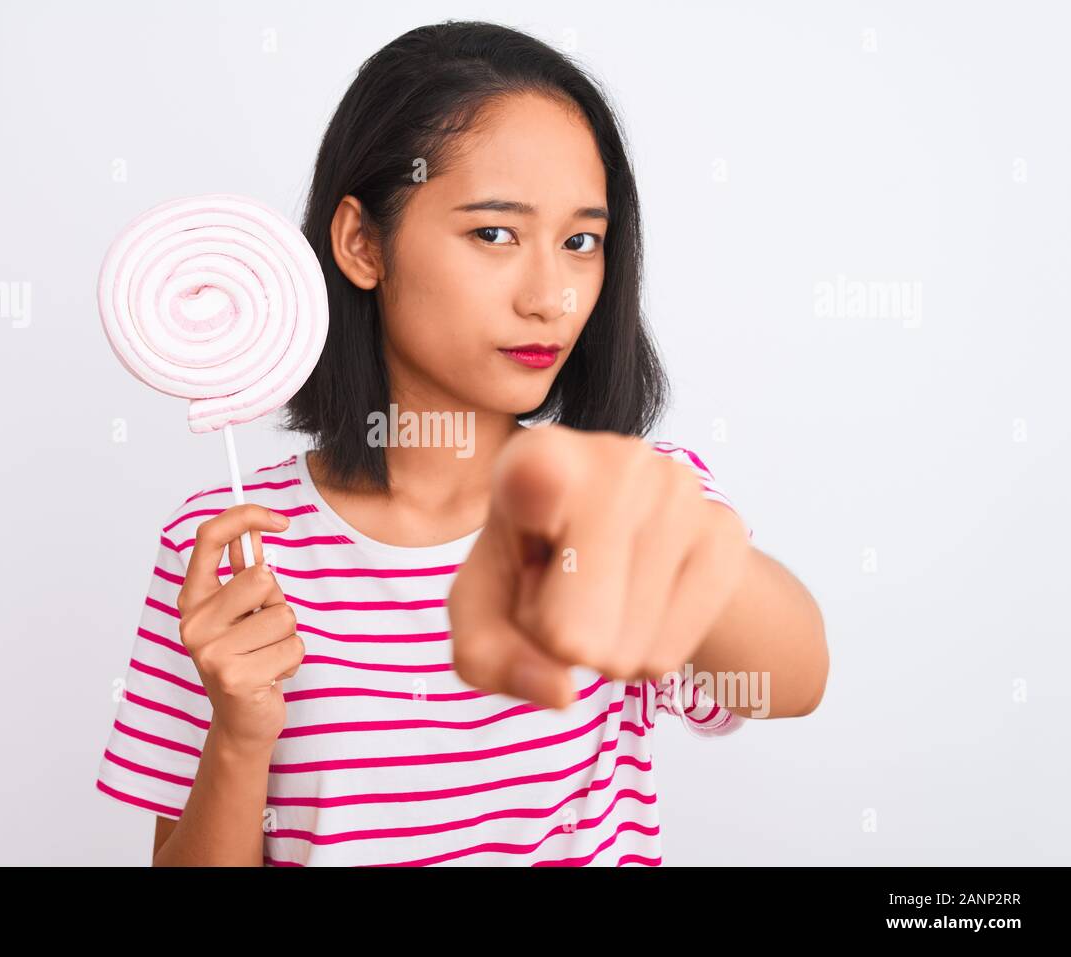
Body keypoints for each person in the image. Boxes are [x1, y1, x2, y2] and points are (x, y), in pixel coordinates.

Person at [96, 20, 828, 866]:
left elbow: (791, 683)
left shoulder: (633, 496)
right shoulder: (233, 541)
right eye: (495, 233)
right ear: (362, 243)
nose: (552, 296)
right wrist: (238, 734)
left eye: (580, 241)